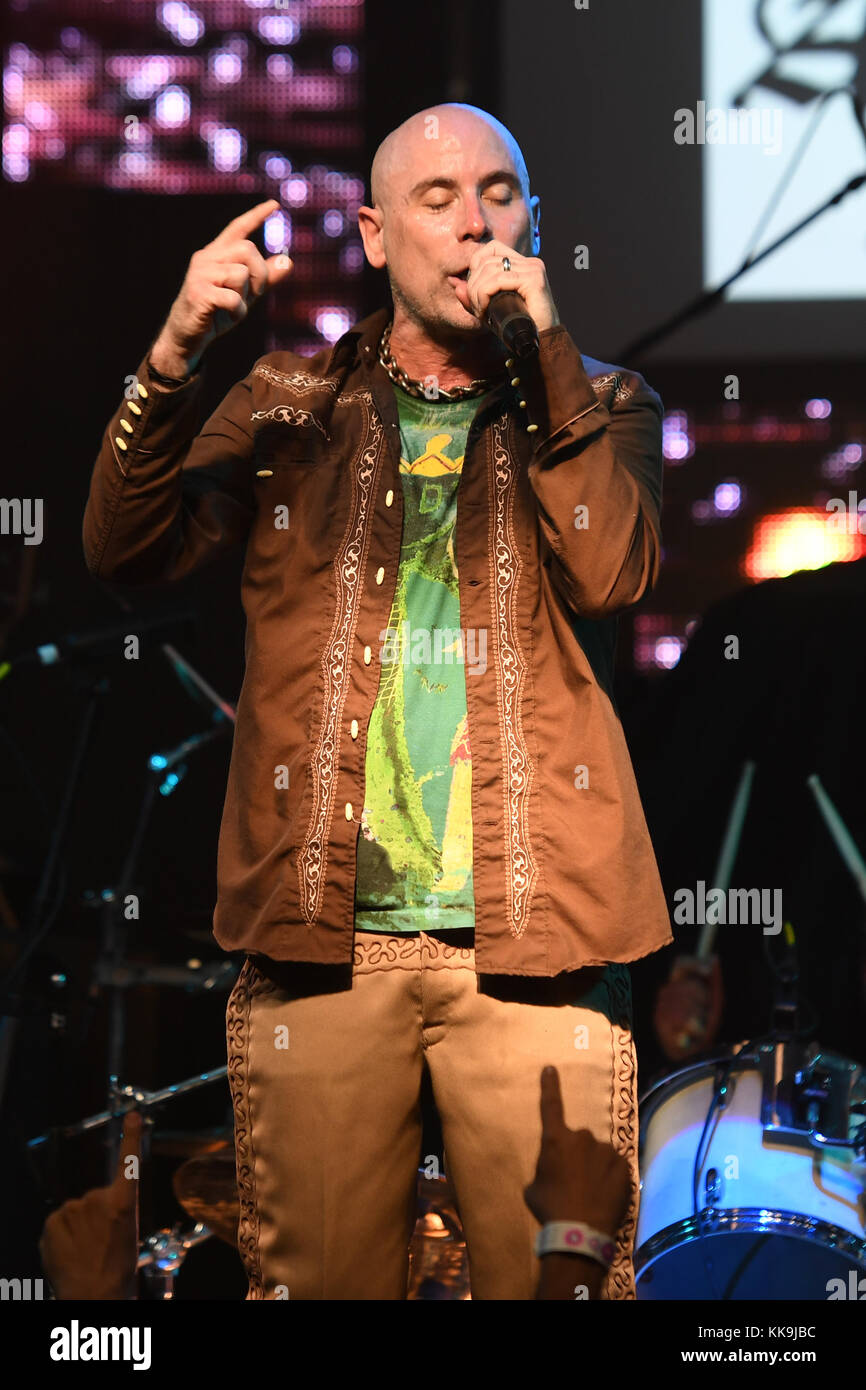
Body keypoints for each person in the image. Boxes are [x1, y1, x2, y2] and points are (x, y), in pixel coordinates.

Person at [83, 103, 672, 1300]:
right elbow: (123, 545)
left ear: (534, 223)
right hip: (325, 951)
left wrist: (545, 352)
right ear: (371, 232)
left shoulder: (603, 402)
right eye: (437, 198)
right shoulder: (285, 403)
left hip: (536, 945)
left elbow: (612, 571)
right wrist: (174, 352)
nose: (474, 223)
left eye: (499, 194)